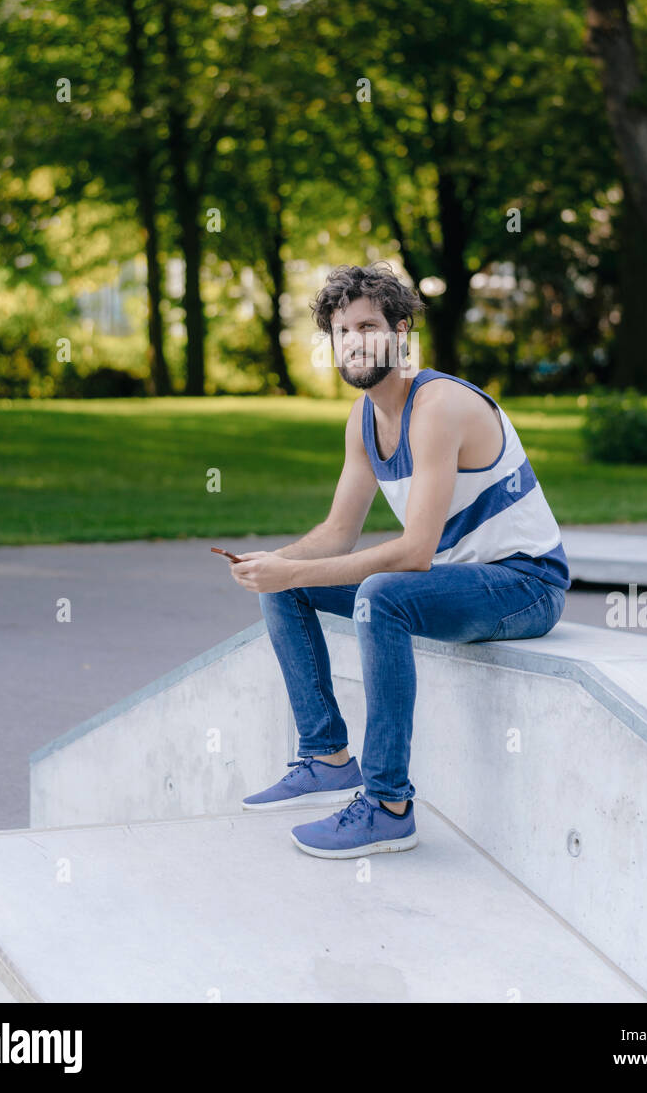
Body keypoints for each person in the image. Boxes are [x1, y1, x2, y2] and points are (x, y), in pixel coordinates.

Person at [227, 262, 570, 859]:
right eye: (341, 332)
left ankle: (388, 805)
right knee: (284, 587)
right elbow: (337, 533)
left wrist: (295, 569)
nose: (354, 342)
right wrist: (274, 565)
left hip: (527, 584)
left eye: (367, 326)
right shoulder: (363, 422)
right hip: (460, 581)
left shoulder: (438, 405)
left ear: (401, 331)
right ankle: (328, 757)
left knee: (381, 594)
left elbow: (413, 553)